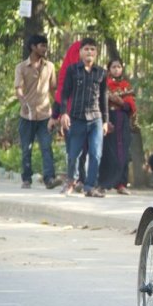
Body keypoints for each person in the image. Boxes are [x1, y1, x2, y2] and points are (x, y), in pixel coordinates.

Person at [59, 38, 110, 198]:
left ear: (96, 53)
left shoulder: (101, 72)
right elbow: (65, 94)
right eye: (86, 49)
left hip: (96, 118)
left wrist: (106, 121)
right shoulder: (72, 70)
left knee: (96, 153)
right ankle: (71, 181)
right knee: (74, 154)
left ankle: (89, 186)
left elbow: (104, 98)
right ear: (80, 52)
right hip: (77, 117)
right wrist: (64, 114)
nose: (89, 52)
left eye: (92, 49)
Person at [13, 34, 62, 189]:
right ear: (33, 47)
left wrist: (59, 110)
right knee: (26, 148)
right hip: (26, 115)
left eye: (46, 45)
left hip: (45, 115)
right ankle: (26, 178)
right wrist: (24, 104)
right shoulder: (21, 67)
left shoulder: (50, 66)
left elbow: (54, 89)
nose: (45, 48)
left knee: (46, 147)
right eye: (42, 45)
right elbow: (18, 89)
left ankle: (49, 179)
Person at [52, 40, 87, 192]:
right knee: (72, 150)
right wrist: (56, 115)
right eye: (82, 50)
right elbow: (60, 94)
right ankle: (73, 179)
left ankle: (82, 180)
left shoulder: (93, 71)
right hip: (70, 115)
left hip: (88, 116)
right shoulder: (68, 71)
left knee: (87, 150)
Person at [98, 59, 137, 194]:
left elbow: (130, 105)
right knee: (107, 152)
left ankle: (121, 184)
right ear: (109, 69)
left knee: (122, 153)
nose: (116, 69)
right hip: (108, 120)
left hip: (122, 121)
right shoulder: (104, 84)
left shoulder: (126, 86)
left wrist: (120, 101)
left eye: (119, 67)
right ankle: (104, 183)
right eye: (113, 67)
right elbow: (99, 101)